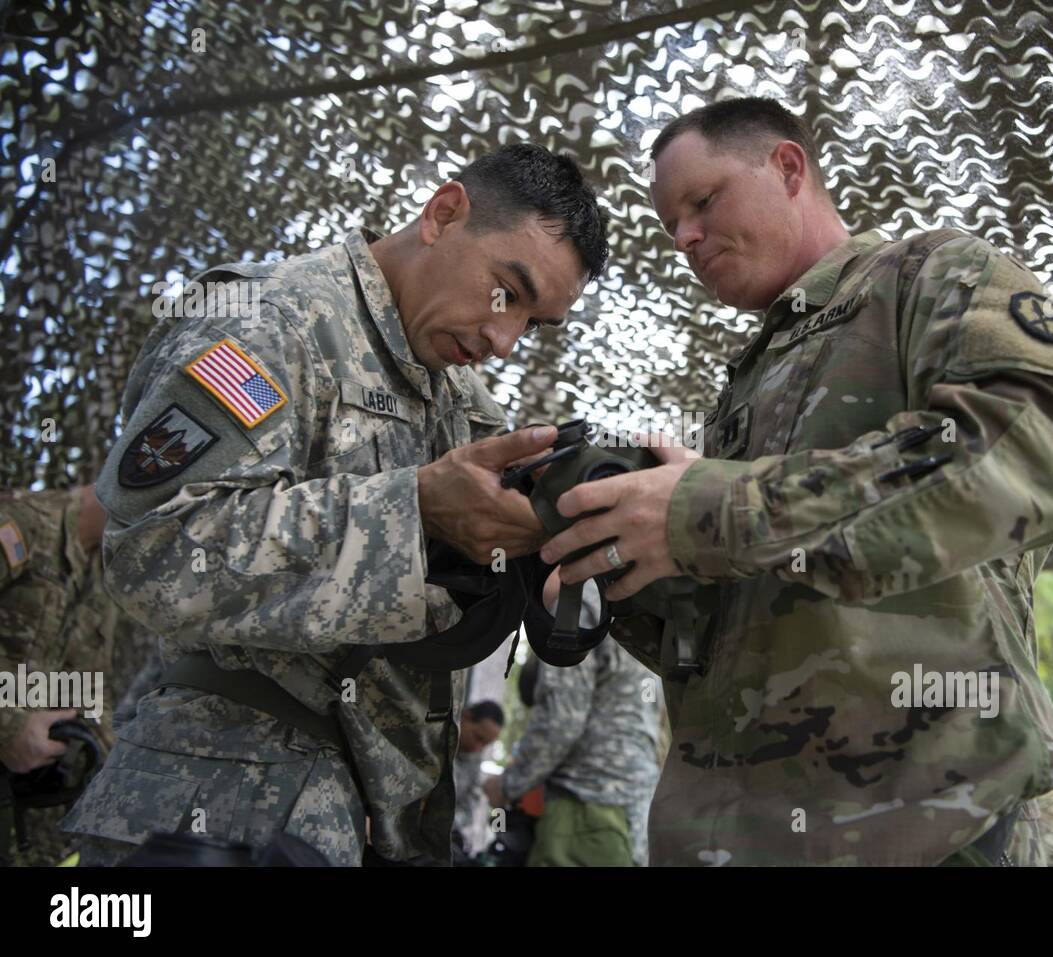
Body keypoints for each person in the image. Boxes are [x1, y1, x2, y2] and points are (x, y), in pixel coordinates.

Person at [539, 97, 1053, 865]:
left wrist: (709, 509)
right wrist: (601, 542)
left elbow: (1043, 448)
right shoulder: (748, 381)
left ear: (787, 168)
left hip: (929, 830)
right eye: (672, 223)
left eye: (702, 201)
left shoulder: (930, 275)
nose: (684, 237)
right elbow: (743, 618)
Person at [60, 143, 609, 866]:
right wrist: (415, 513)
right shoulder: (271, 321)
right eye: (506, 291)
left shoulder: (461, 401)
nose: (504, 340)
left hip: (365, 815)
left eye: (532, 324)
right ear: (444, 213)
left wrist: (530, 544)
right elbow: (154, 547)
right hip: (218, 801)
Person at [1, 486, 118, 866]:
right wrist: (9, 727)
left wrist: (113, 770)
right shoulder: (24, 524)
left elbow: (85, 688)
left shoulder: (99, 574)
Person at [484, 639, 662, 866]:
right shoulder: (636, 629)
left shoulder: (573, 619)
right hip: (636, 815)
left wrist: (505, 785)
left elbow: (560, 723)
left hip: (585, 811)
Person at [452, 699, 504, 858]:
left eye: (485, 744)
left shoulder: (474, 757)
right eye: (478, 737)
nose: (478, 748)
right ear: (465, 718)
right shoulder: (432, 742)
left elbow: (469, 805)